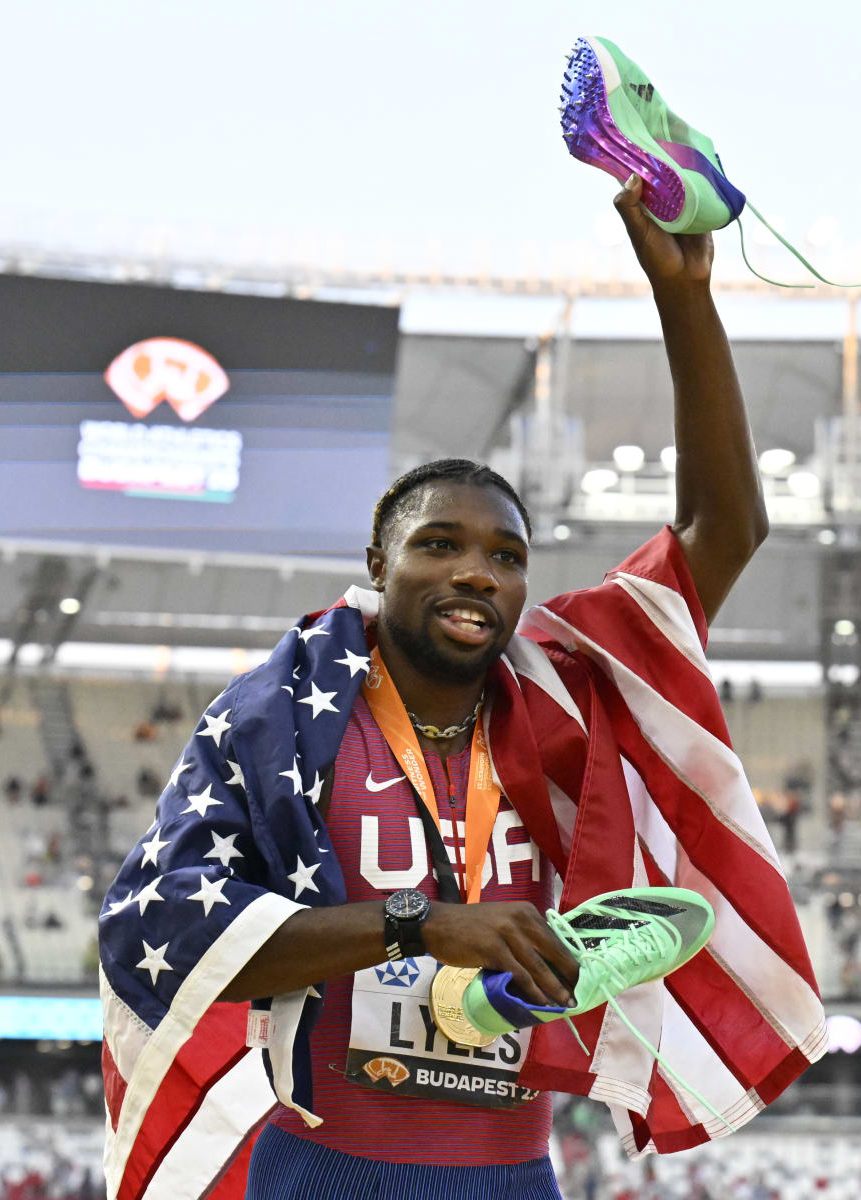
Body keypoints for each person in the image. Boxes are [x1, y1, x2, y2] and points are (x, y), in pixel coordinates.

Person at [99, 174, 819, 1200]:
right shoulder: (280, 720)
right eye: (439, 543)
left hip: (514, 1175)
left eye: (506, 556)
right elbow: (165, 931)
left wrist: (686, 293)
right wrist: (420, 921)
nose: (477, 571)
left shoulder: (574, 693)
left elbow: (726, 528)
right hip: (325, 1173)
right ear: (378, 563)